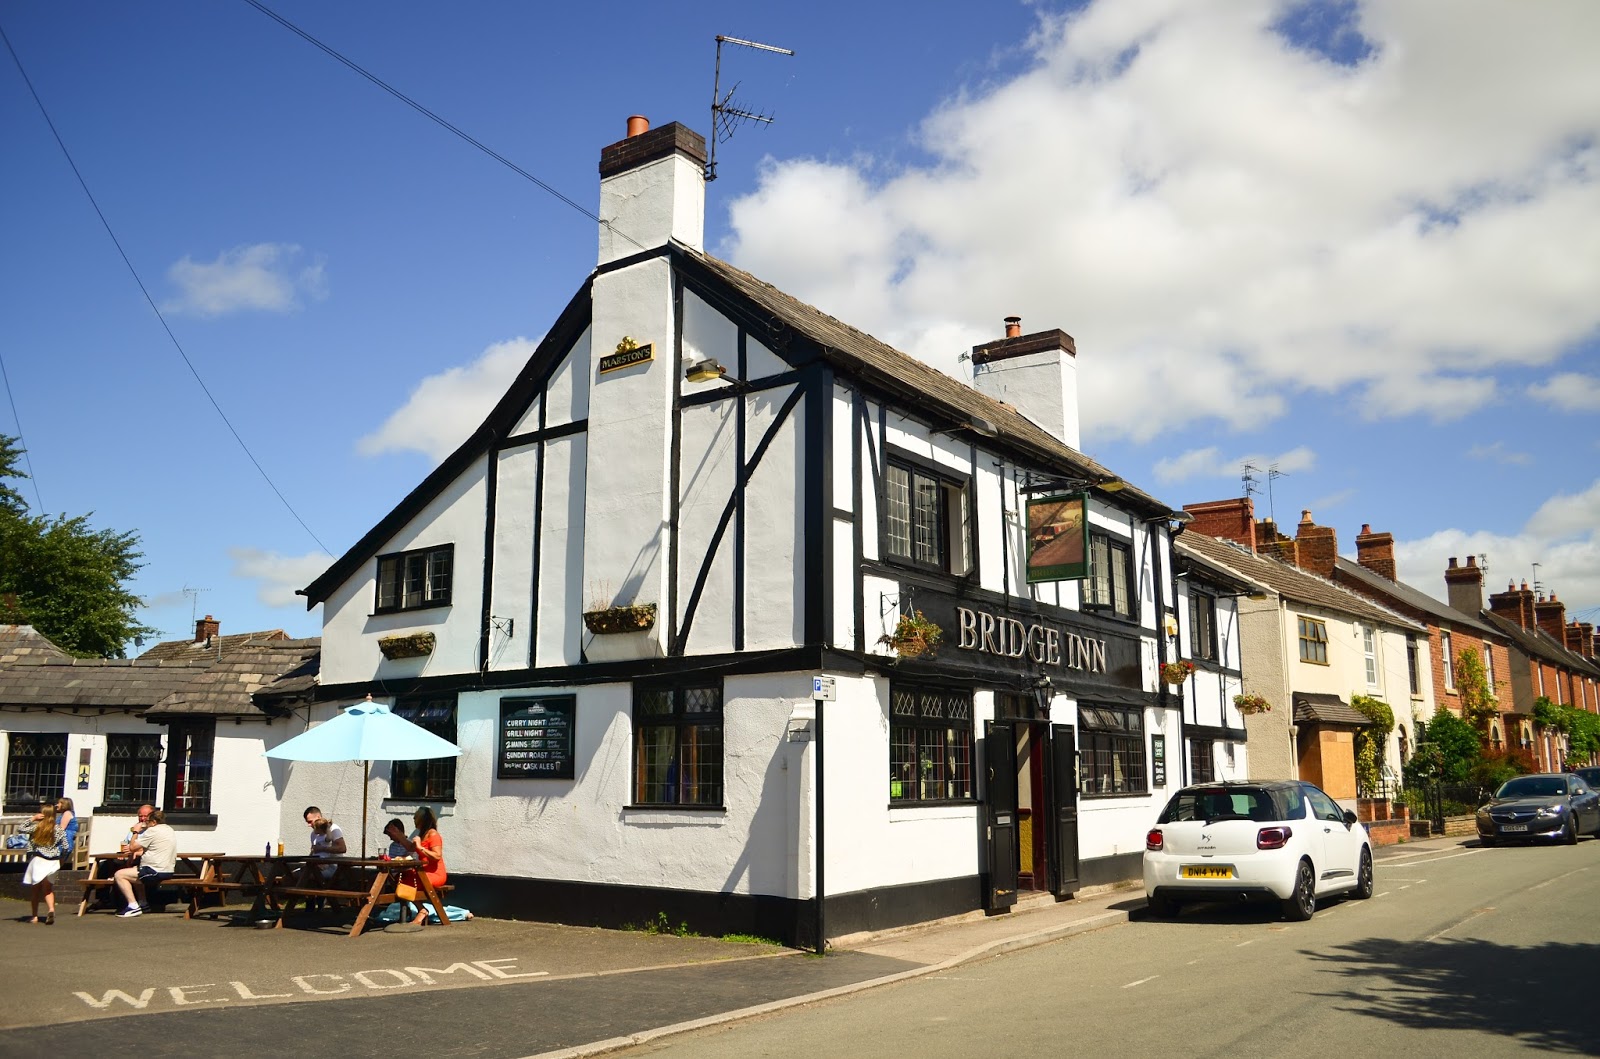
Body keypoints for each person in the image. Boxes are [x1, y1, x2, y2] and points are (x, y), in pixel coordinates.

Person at [112, 808, 176, 917]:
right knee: (134, 871)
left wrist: (135, 831)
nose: (146, 824)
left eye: (148, 822)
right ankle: (143, 903)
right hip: (168, 870)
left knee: (119, 875)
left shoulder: (152, 831)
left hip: (155, 871)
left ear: (154, 822)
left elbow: (132, 847)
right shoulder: (169, 829)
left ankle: (133, 906)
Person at [92, 804, 153, 909]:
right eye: (140, 816)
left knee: (134, 864)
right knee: (104, 865)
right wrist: (123, 853)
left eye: (145, 816)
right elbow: (127, 843)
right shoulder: (135, 829)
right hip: (129, 856)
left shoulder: (152, 831)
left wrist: (134, 850)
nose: (142, 819)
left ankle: (140, 901)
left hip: (143, 859)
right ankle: (104, 898)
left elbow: (151, 848)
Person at [396, 807, 446, 926]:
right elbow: (410, 848)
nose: (413, 819)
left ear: (421, 820)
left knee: (409, 883)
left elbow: (437, 855)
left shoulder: (433, 834)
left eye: (415, 817)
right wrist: (398, 835)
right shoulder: (422, 834)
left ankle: (422, 911)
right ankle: (421, 909)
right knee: (401, 879)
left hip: (435, 874)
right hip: (423, 872)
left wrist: (420, 848)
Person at [19, 808, 68, 924]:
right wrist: (62, 858)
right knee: (48, 889)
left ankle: (34, 916)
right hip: (53, 861)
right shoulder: (59, 829)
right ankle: (51, 910)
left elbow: (20, 828)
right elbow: (66, 846)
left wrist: (33, 818)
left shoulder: (37, 827)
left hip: (39, 859)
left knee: (35, 889)